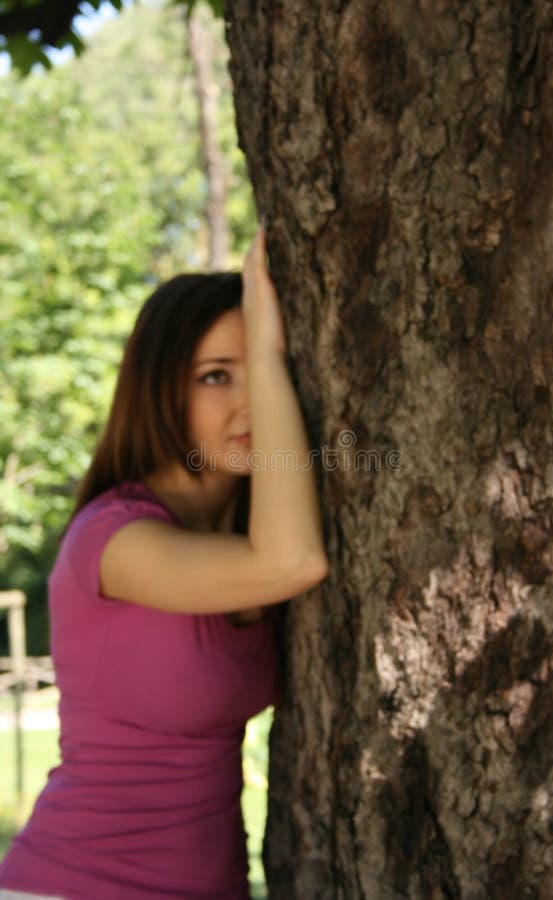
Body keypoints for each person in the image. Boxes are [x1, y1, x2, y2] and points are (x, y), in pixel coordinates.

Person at [0, 225, 329, 900]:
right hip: (77, 886)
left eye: (262, 374)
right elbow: (290, 564)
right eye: (216, 376)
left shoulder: (238, 531)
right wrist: (265, 357)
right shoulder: (113, 540)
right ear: (161, 392)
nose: (249, 405)